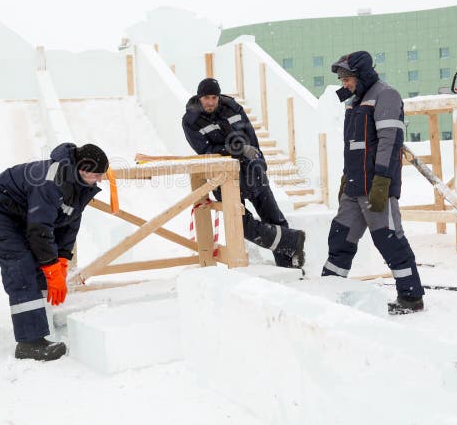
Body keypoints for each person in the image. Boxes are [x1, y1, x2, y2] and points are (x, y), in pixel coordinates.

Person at [0, 142, 108, 361]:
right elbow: (40, 229)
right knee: (21, 266)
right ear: (82, 170)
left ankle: (44, 319)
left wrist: (61, 261)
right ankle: (29, 342)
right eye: (97, 175)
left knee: (40, 262)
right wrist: (51, 269)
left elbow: (69, 224)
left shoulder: (79, 186)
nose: (99, 181)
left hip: (20, 216)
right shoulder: (51, 181)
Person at [321, 51, 425, 314]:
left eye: (347, 78)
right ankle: (325, 292)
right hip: (355, 186)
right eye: (341, 79)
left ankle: (411, 298)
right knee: (340, 239)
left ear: (362, 75)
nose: (343, 83)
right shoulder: (354, 101)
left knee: (389, 240)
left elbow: (390, 141)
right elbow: (352, 147)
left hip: (376, 185)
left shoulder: (385, 95)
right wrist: (346, 178)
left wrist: (382, 181)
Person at [182, 78, 305, 269]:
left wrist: (260, 162)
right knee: (239, 224)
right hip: (223, 178)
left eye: (214, 97)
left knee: (274, 217)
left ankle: (289, 266)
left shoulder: (232, 107)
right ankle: (291, 241)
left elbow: (251, 138)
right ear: (200, 97)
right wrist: (234, 149)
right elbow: (206, 151)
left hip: (251, 170)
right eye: (206, 98)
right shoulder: (190, 121)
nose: (211, 102)